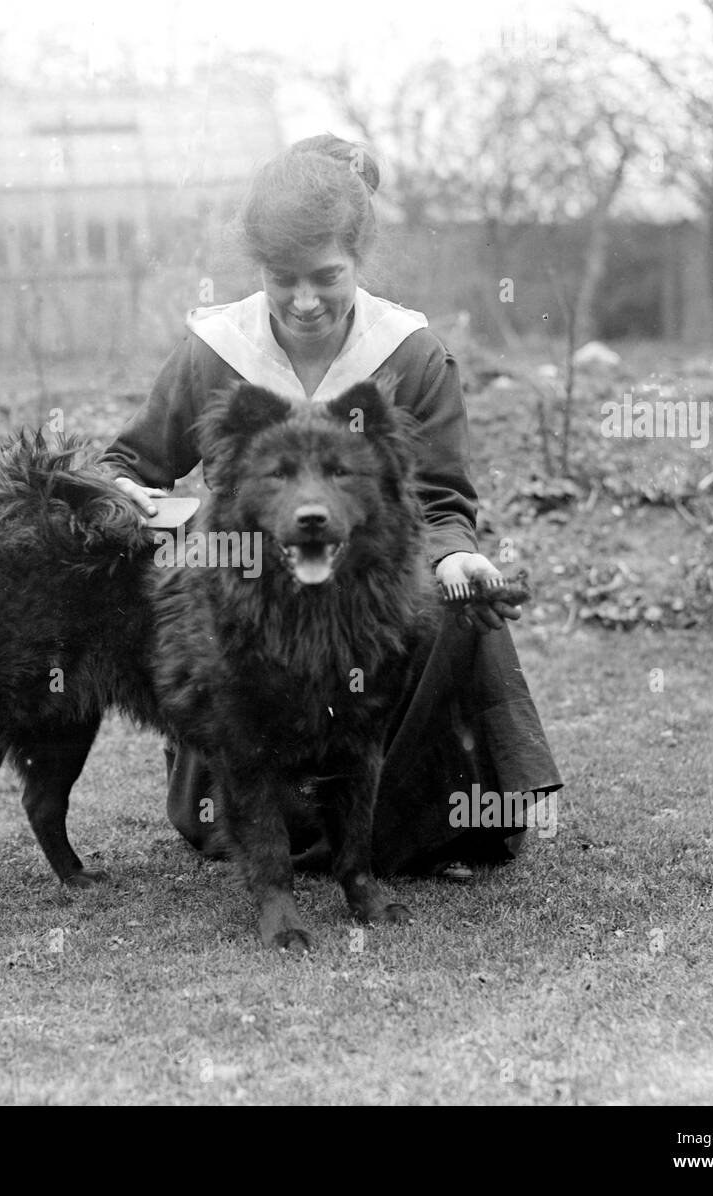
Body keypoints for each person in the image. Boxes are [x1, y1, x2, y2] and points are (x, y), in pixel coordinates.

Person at [100, 134, 561, 879]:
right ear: (258, 269)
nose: (304, 301)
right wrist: (150, 513)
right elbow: (130, 465)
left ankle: (408, 827)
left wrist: (455, 551)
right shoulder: (213, 352)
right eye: (283, 279)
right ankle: (272, 823)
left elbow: (442, 496)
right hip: (253, 594)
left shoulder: (411, 354)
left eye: (326, 277)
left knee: (452, 609)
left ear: (358, 258)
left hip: (367, 587)